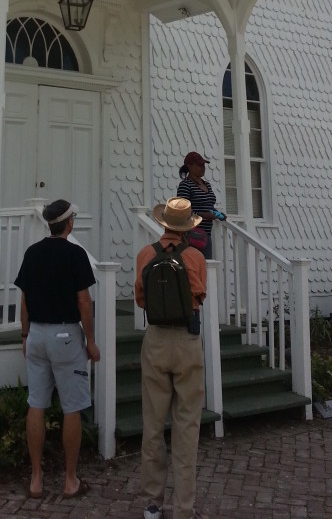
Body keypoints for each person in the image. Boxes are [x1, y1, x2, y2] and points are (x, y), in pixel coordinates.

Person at [14, 199, 101, 500]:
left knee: (36, 403)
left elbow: (24, 300)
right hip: (65, 335)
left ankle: (36, 479)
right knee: (72, 406)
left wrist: (25, 334)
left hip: (36, 332)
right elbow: (84, 302)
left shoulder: (32, 253)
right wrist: (90, 340)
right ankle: (70, 480)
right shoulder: (75, 255)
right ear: (69, 223)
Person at [135, 197, 207, 519]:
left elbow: (140, 299)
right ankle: (183, 509)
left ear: (163, 223)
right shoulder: (195, 257)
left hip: (156, 340)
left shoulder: (145, 255)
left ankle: (152, 505)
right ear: (187, 226)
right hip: (186, 342)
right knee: (186, 427)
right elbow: (199, 295)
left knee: (152, 425)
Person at [177, 150, 217, 259]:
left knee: (206, 268)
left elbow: (209, 205)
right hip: (192, 235)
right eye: (199, 165)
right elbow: (182, 211)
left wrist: (217, 214)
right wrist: (202, 215)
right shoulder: (185, 185)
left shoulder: (207, 184)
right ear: (189, 166)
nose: (203, 167)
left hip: (206, 234)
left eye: (204, 165)